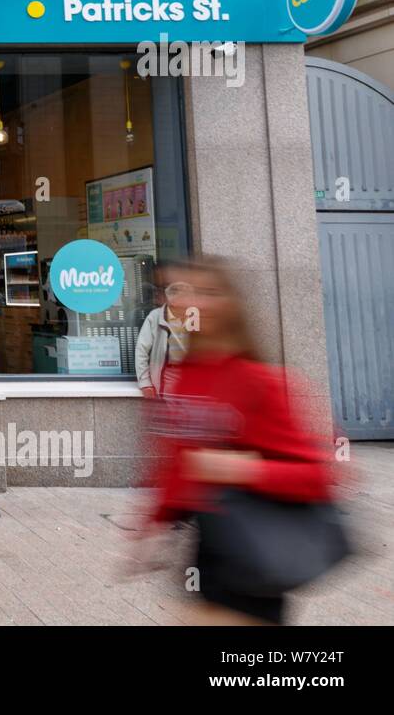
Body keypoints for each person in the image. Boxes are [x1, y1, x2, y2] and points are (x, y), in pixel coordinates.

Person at [138, 256, 339, 625]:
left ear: (230, 305)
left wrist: (241, 468)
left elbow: (317, 476)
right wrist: (154, 524)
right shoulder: (186, 377)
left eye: (206, 292)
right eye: (180, 291)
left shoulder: (259, 380)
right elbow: (178, 464)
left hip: (257, 555)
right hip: (207, 555)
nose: (190, 301)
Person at [135, 279, 191, 399]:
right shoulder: (155, 317)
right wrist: (145, 382)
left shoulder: (194, 317)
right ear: (172, 301)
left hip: (190, 376)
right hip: (167, 377)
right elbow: (142, 350)